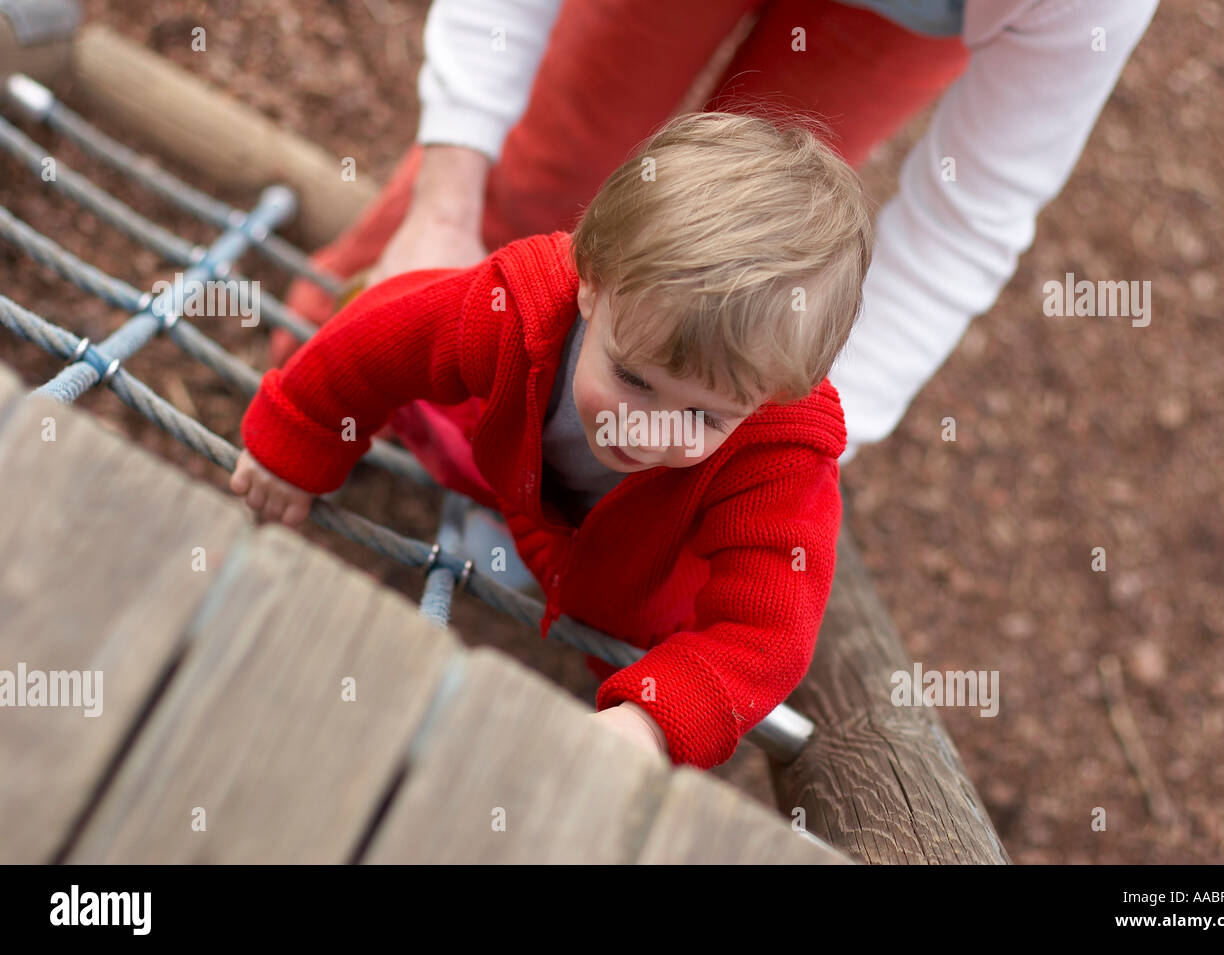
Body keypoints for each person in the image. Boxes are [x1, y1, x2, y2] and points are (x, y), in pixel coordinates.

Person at [232, 112, 872, 769]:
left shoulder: (779, 454)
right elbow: (385, 336)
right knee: (450, 433)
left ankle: (570, 613)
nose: (647, 428)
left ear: (769, 397)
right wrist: (301, 432)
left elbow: (768, 631)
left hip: (642, 591)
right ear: (591, 282)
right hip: (520, 481)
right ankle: (501, 530)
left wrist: (657, 719)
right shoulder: (522, 306)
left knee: (621, 652)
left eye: (704, 417)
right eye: (633, 378)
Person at [270, 0, 1160, 464]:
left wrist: (801, 443)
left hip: (899, 19)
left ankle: (538, 468)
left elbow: (971, 213)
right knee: (546, 167)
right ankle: (334, 377)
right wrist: (445, 206)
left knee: (759, 249)